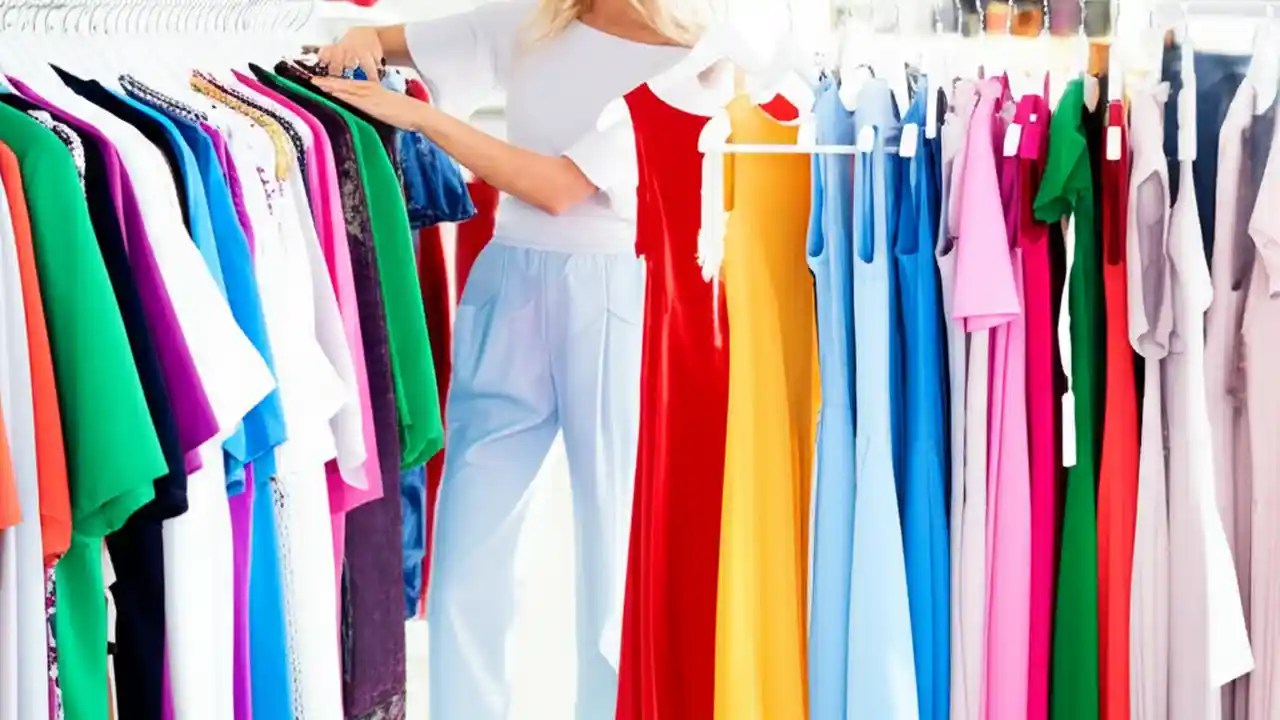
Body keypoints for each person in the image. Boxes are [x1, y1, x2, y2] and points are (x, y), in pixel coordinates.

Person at [312, 1, 696, 717]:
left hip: (613, 291)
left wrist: (423, 120)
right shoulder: (531, 19)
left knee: (613, 551)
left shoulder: (692, 58)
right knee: (466, 549)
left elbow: (557, 187)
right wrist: (358, 39)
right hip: (509, 282)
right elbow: (377, 38)